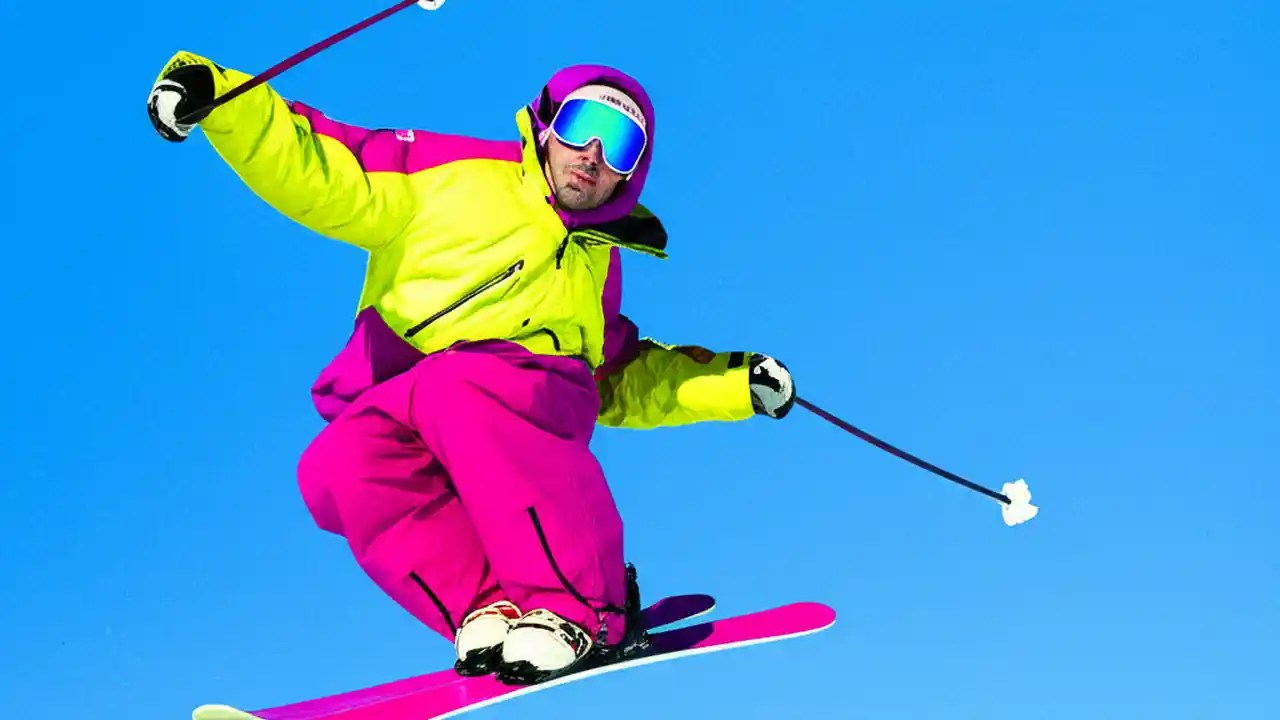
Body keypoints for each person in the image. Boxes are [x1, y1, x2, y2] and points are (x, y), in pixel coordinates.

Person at [146, 50, 797, 685]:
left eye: (620, 143)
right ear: (545, 127)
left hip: (507, 395)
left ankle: (579, 605)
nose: (593, 154)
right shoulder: (449, 175)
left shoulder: (597, 261)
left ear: (633, 172)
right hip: (412, 400)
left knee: (467, 384)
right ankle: (486, 605)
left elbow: (618, 373)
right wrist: (223, 100)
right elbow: (325, 165)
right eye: (581, 127)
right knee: (339, 461)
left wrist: (737, 384)